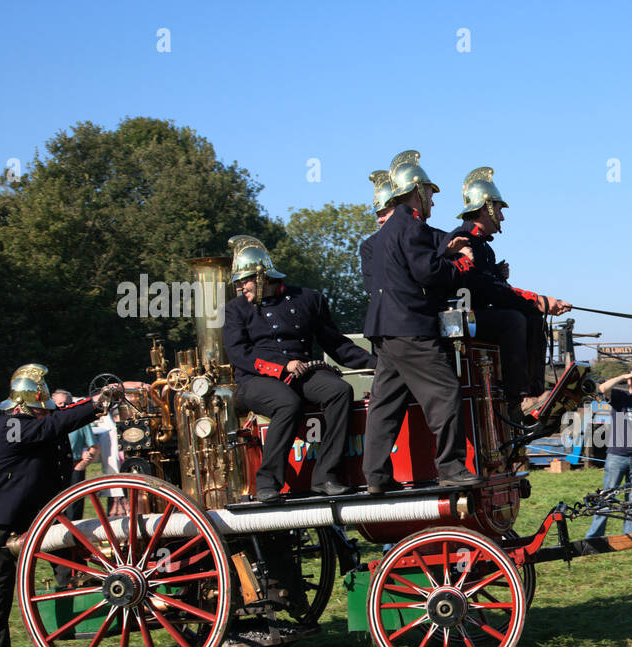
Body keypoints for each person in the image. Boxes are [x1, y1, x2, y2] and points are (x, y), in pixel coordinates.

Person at [0, 365, 115, 647]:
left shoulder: (34, 424)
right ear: (22, 408)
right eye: (39, 410)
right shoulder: (5, 425)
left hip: (30, 518)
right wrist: (95, 404)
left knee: (67, 561)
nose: (44, 415)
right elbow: (49, 428)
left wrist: (94, 402)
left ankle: (83, 603)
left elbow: (57, 423)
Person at [362, 150, 484, 492]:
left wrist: (443, 251)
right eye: (429, 193)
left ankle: (376, 476)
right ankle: (451, 467)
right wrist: (461, 263)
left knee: (385, 406)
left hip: (385, 330)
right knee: (445, 392)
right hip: (410, 329)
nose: (432, 199)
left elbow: (413, 262)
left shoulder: (388, 231)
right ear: (417, 192)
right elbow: (425, 271)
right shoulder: (411, 224)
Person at [223, 235, 377, 503]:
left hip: (302, 375)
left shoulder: (308, 299)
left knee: (338, 390)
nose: (239, 288)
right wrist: (282, 367)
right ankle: (268, 482)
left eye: (243, 281)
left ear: (262, 277)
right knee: (287, 402)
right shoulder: (235, 310)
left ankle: (326, 477)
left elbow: (336, 344)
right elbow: (239, 355)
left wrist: (376, 363)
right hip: (255, 381)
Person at [442, 167, 572, 414]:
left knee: (533, 319)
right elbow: (491, 290)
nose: (502, 217)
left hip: (473, 315)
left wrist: (536, 304)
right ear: (485, 208)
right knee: (512, 320)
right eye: (499, 209)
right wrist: (538, 300)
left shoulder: (482, 246)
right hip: (459, 319)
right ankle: (517, 396)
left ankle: (533, 392)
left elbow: (492, 287)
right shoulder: (465, 239)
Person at [585, 367, 632, 538]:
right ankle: (594, 538)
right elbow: (602, 389)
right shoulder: (619, 397)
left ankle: (629, 536)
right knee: (607, 498)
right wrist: (624, 376)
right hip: (617, 456)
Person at [51, 389, 99, 590]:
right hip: (54, 472)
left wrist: (82, 464)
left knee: (74, 515)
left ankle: (76, 566)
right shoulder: (50, 423)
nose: (62, 407)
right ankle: (69, 571)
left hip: (74, 468)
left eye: (65, 404)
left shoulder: (79, 424)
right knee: (57, 517)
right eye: (58, 405)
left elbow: (93, 447)